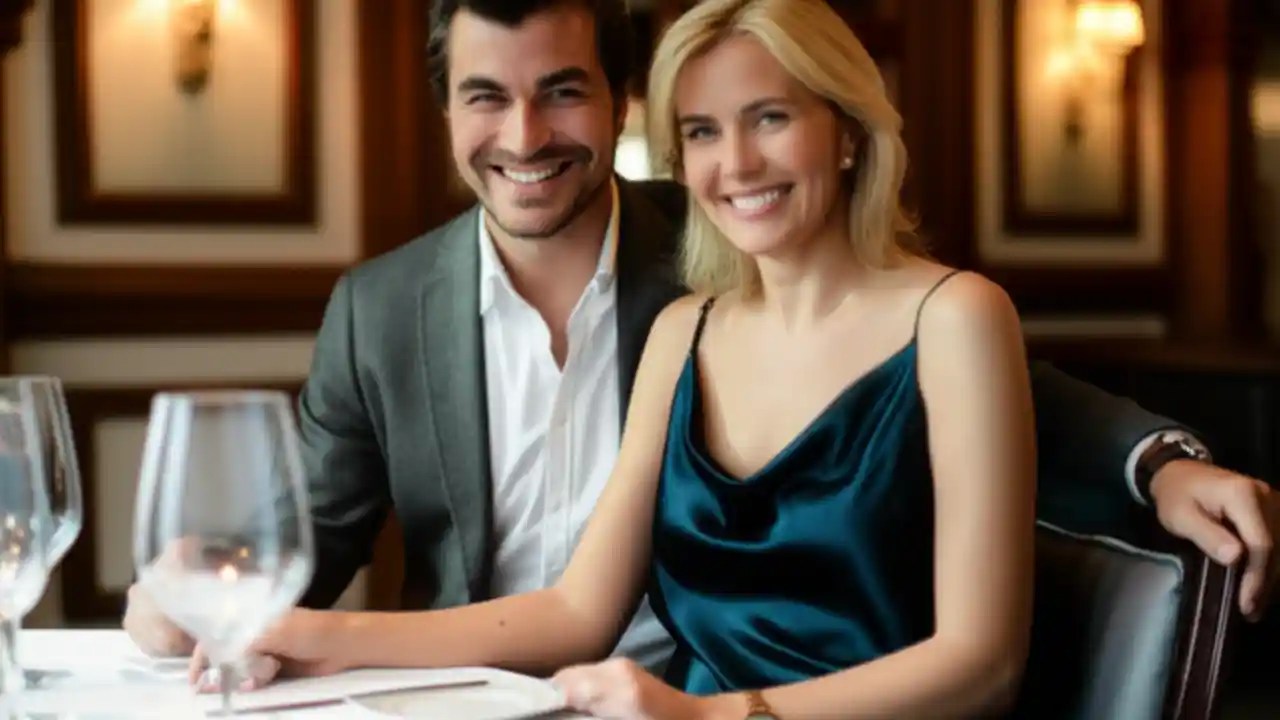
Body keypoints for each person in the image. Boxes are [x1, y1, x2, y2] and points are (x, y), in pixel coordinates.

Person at [124, 0, 1278, 671]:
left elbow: (955, 372)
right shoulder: (378, 310)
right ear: (446, 112)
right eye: (486, 96)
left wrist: (1156, 463)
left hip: (691, 680)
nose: (524, 134)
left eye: (562, 91)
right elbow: (296, 553)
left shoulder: (725, 242)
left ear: (618, 106)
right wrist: (195, 593)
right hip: (474, 682)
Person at [195, 4, 1037, 717]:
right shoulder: (686, 328)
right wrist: (309, 636)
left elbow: (987, 658)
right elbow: (577, 611)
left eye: (770, 118)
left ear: (848, 131)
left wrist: (1155, 458)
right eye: (703, 132)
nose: (736, 164)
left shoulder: (955, 317)